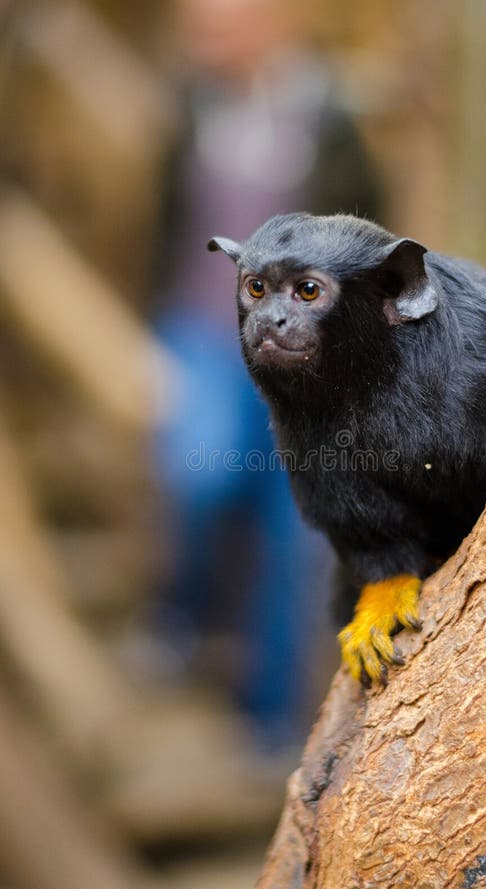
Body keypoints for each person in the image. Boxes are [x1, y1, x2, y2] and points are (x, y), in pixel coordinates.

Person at [148, 0, 382, 749]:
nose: (204, 37)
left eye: (219, 21)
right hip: (204, 335)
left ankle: (269, 714)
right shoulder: (191, 105)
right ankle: (181, 621)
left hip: (302, 362)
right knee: (201, 475)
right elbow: (166, 223)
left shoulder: (330, 118)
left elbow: (366, 247)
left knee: (296, 536)